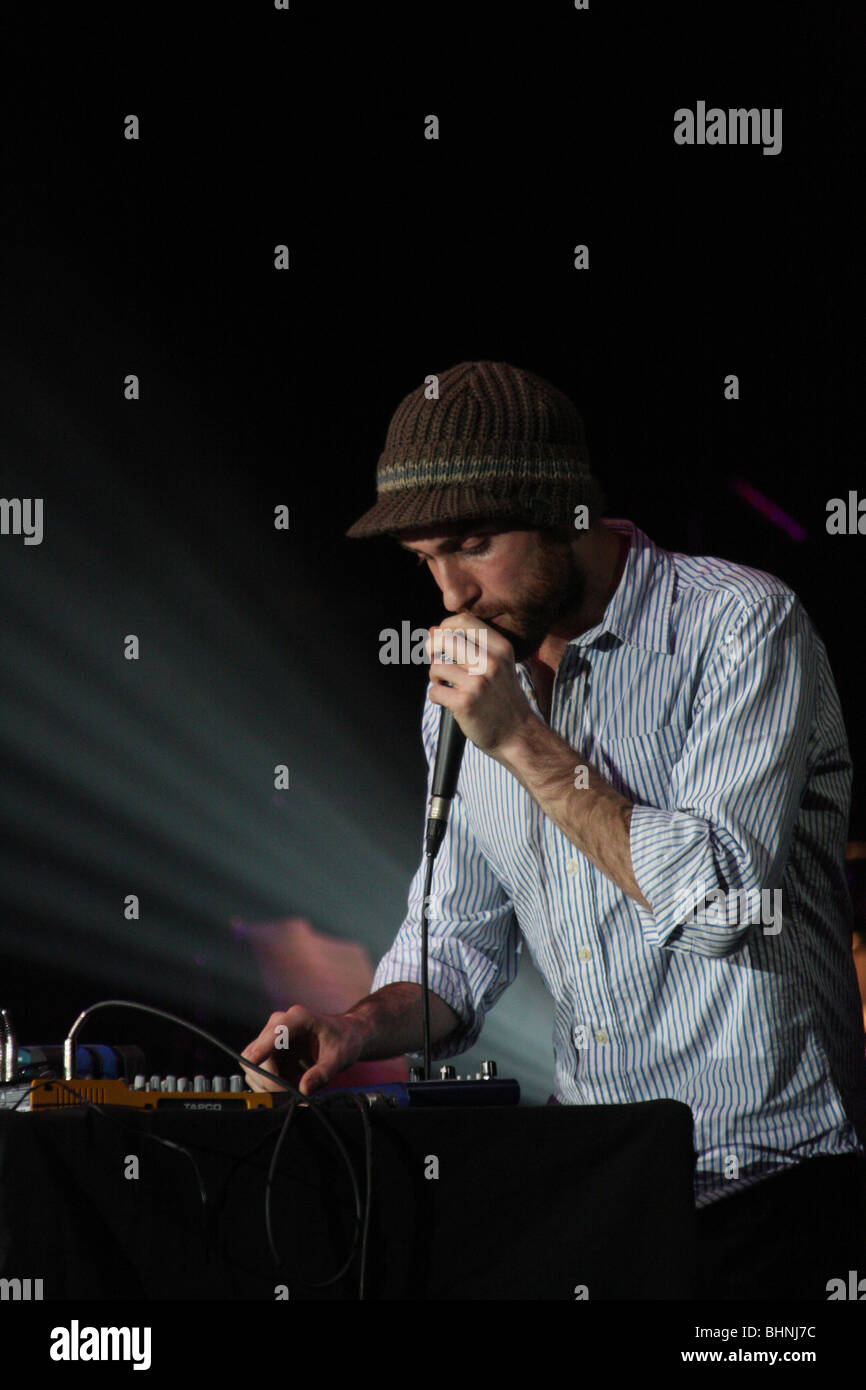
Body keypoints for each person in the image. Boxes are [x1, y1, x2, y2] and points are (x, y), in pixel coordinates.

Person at [242, 360, 866, 1299]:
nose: (451, 593)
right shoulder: (466, 702)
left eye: (474, 544)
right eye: (425, 560)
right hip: (600, 1179)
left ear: (566, 508)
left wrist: (520, 741)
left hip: (773, 1184)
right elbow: (456, 949)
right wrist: (353, 1025)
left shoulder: (739, 625)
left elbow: (722, 903)